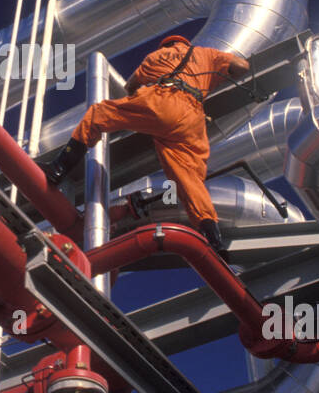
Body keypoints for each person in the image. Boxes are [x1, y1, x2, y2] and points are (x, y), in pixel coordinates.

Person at [40, 35, 250, 252]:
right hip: (193, 117)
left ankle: (59, 168)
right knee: (189, 178)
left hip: (162, 101)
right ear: (185, 44)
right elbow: (242, 66)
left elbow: (131, 86)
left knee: (98, 114)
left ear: (166, 45)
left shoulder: (155, 55)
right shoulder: (208, 54)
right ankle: (213, 237)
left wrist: (137, 107)